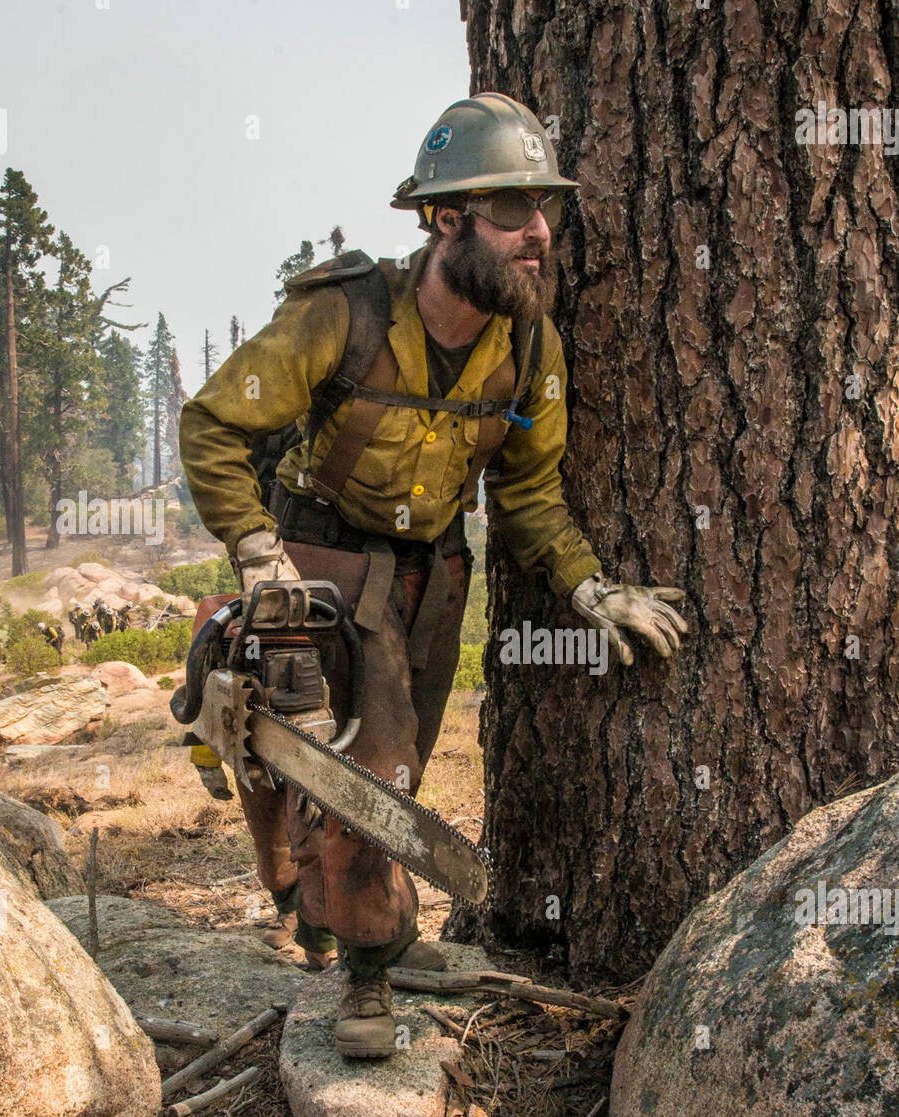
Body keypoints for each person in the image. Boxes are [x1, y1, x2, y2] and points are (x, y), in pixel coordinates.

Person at [179, 93, 687, 1059]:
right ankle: (365, 975)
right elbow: (213, 423)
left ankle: (317, 903)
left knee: (379, 779)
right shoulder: (344, 313)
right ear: (447, 220)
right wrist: (257, 558)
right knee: (351, 780)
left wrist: (592, 591)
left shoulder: (531, 348)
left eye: (544, 209)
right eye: (510, 211)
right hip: (313, 566)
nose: (538, 233)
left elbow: (531, 500)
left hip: (428, 589)